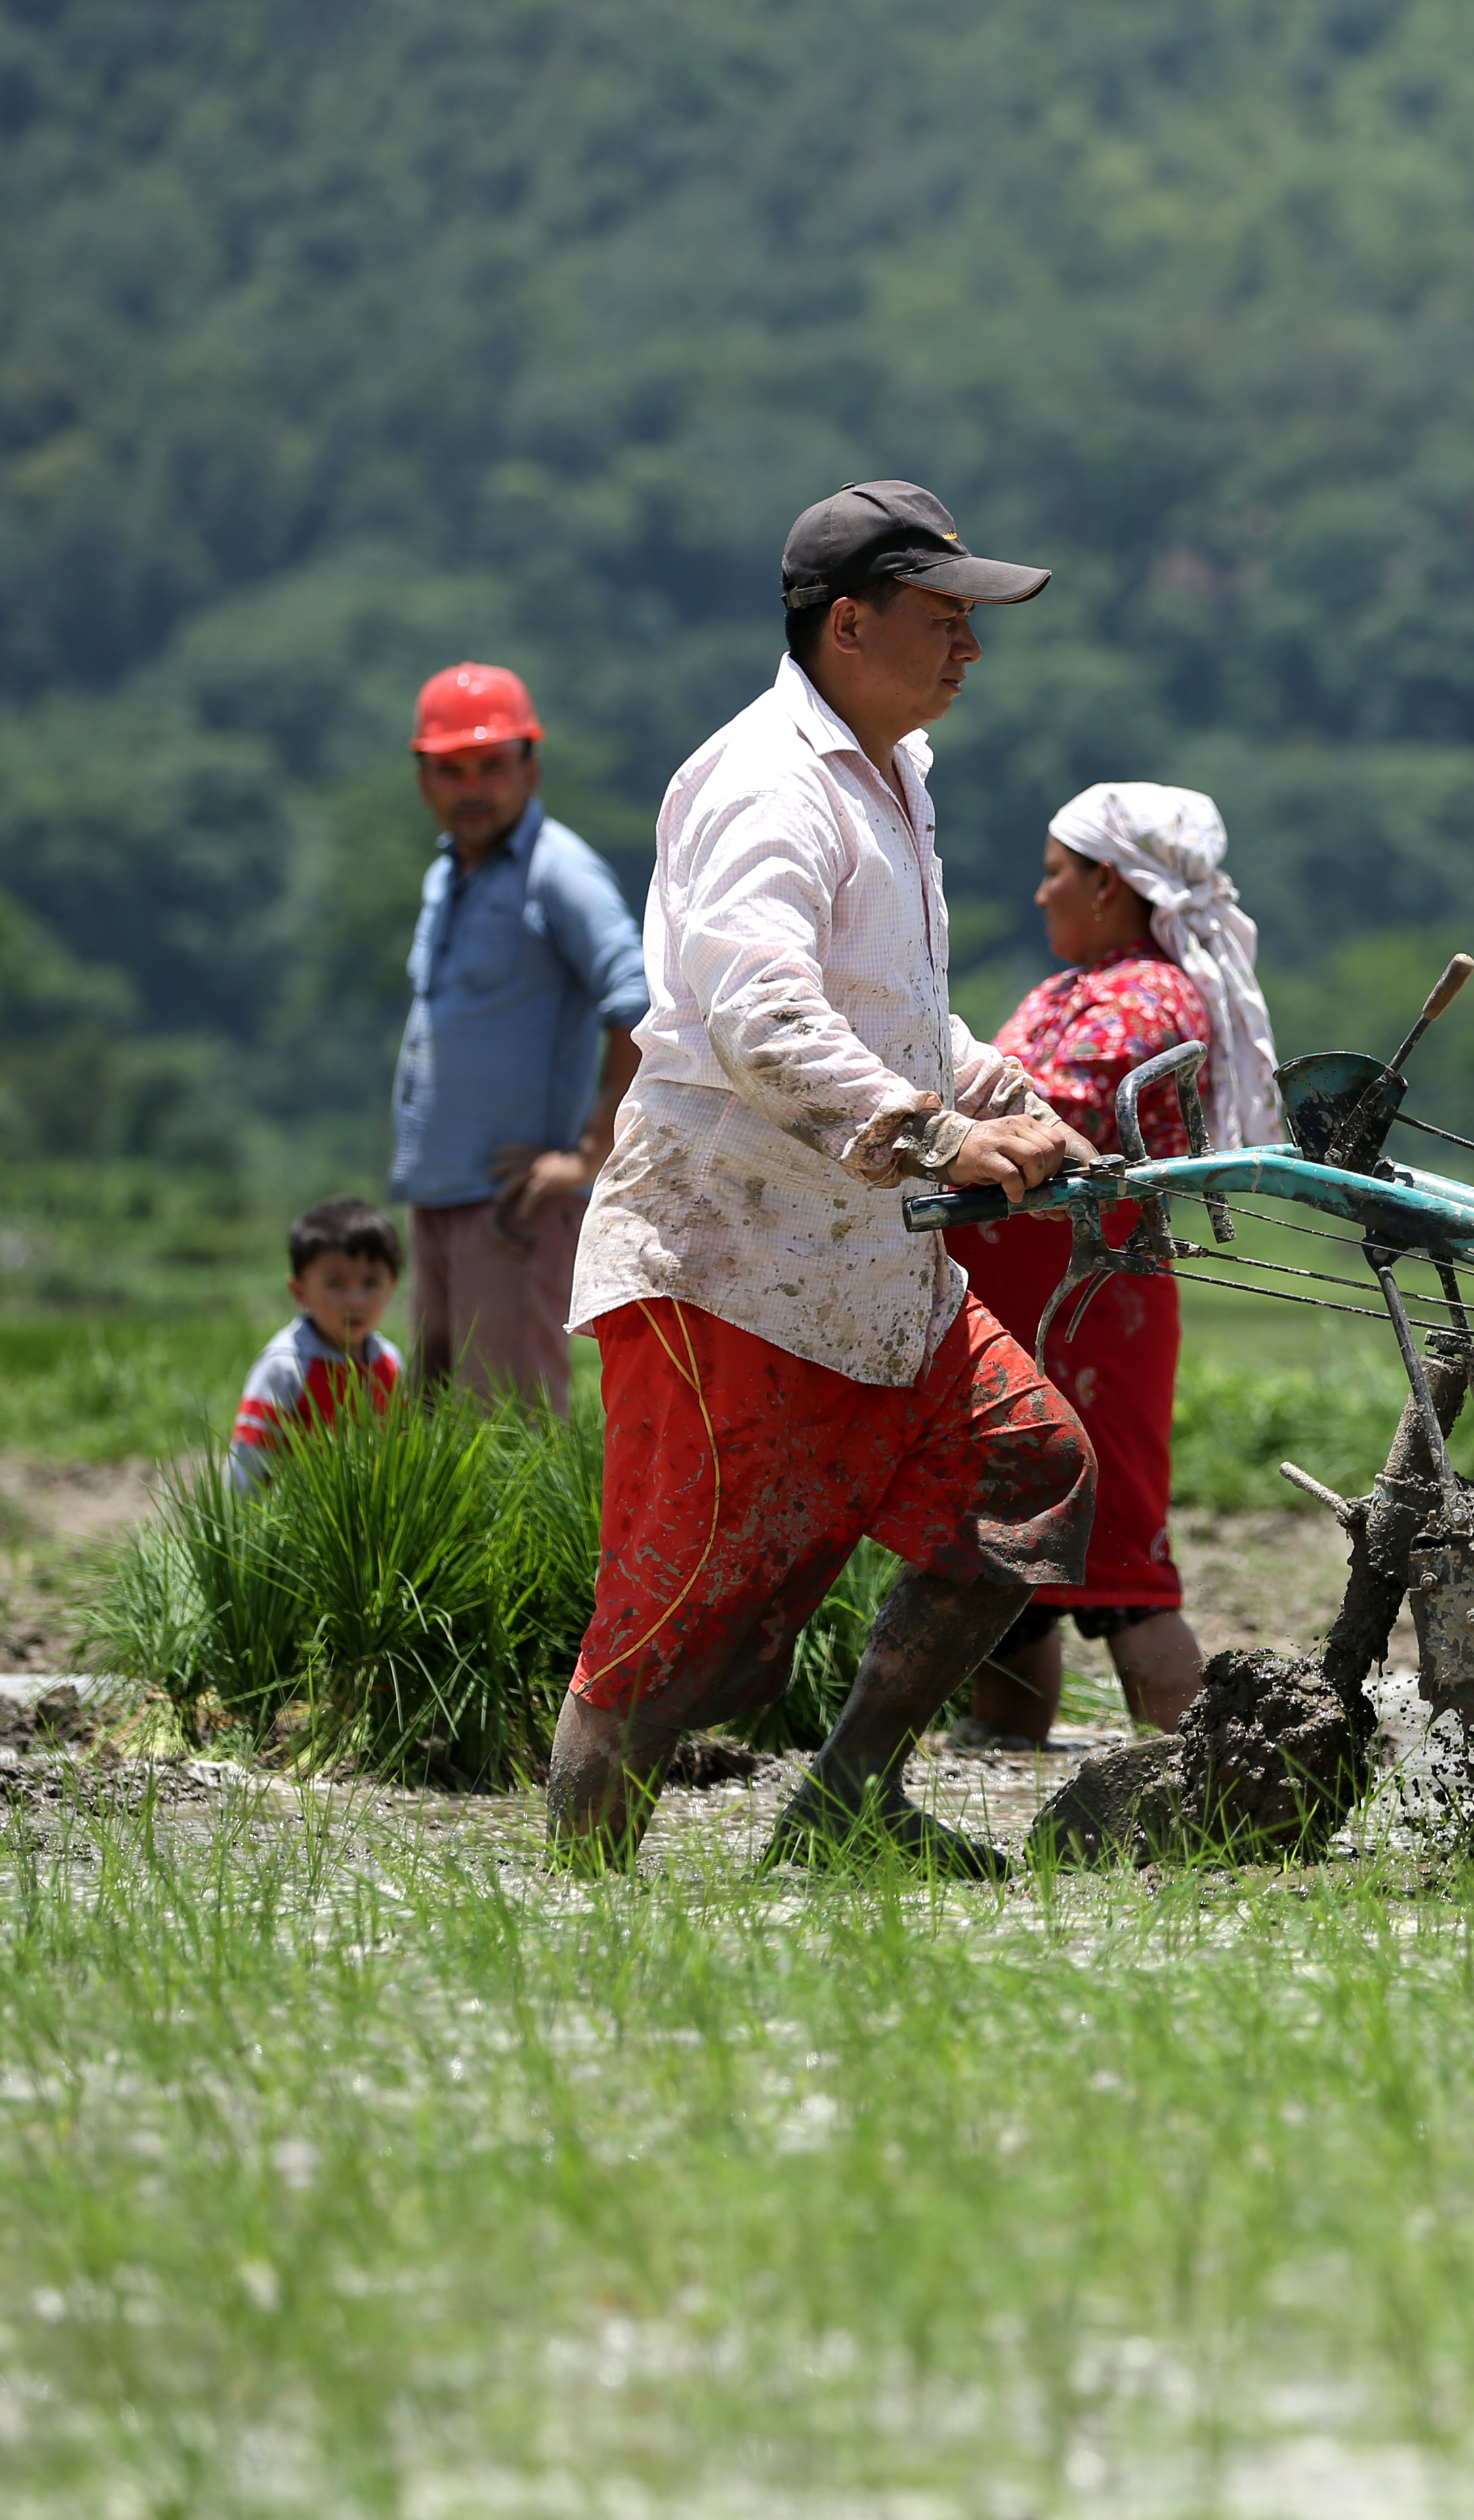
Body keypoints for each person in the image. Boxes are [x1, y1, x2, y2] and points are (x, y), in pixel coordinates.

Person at [550, 479, 1098, 1874]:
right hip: (732, 1263)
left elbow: (887, 1015)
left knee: (1030, 1467)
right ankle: (581, 1904)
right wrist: (935, 1137)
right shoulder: (768, 783)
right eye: (943, 619)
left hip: (866, 1264)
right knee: (691, 1628)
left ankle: (846, 1801)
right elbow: (761, 1014)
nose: (971, 648)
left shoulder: (893, 778)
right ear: (850, 625)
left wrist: (1008, 1098)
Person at [951, 782, 1284, 1749]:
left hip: (1092, 1311)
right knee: (1013, 1561)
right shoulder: (1071, 989)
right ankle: (1002, 1756)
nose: (1040, 894)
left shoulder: (1149, 995)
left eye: (1055, 874)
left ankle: (1198, 1779)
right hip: (1038, 1307)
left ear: (1107, 882)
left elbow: (1057, 1114)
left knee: (1121, 1561)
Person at [387, 662, 652, 1412]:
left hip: (513, 1205)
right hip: (443, 1195)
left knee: (508, 1422)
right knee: (438, 1421)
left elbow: (635, 1004)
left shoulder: (558, 872)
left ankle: (539, 1541)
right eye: (451, 770)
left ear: (529, 770)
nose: (472, 789)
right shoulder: (450, 875)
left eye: (492, 767)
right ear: (424, 781)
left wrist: (590, 1154)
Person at [228, 1200, 407, 1492]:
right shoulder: (286, 1366)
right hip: (295, 1527)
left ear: (392, 1286)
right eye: (336, 1284)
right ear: (300, 1291)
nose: (355, 1300)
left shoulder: (390, 1362)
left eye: (371, 1283)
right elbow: (250, 1459)